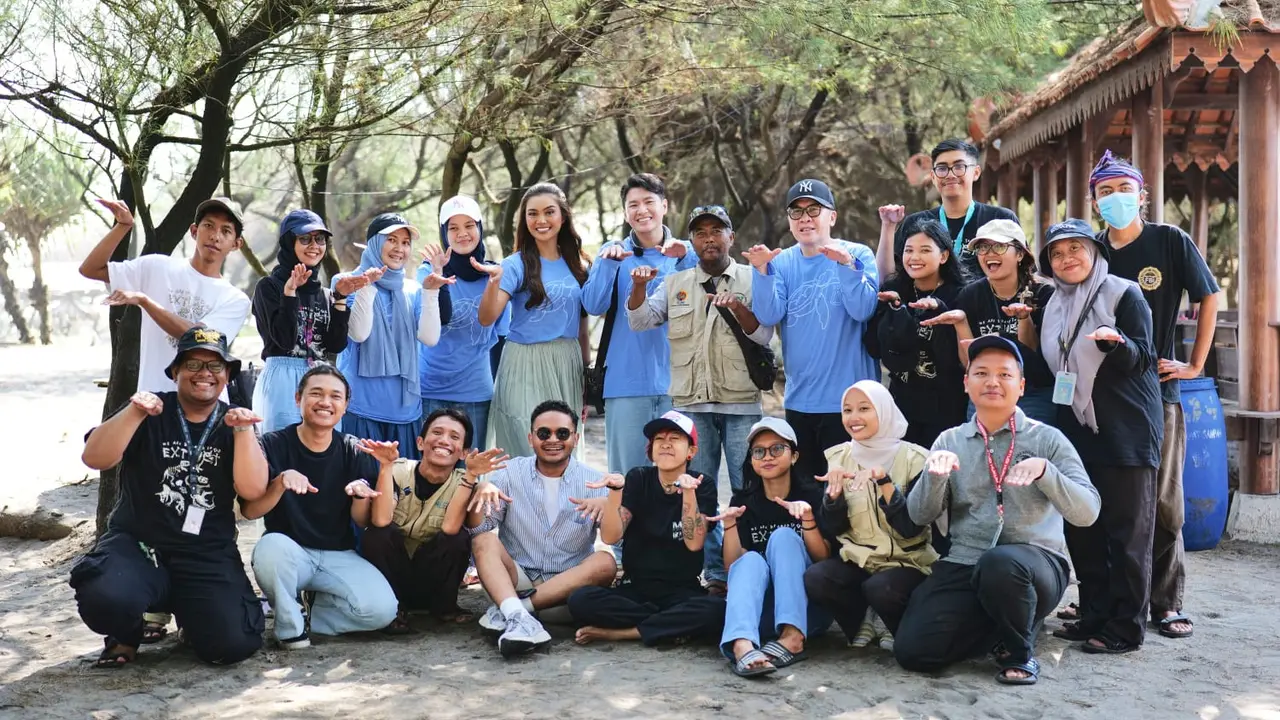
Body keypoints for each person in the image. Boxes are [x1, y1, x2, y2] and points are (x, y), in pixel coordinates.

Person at [894, 335, 1100, 686]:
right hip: (965, 561)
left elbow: (1088, 511)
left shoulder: (1047, 438)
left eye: (1004, 375)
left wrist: (1045, 472)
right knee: (914, 652)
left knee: (1000, 564)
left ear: (1021, 386)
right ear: (966, 382)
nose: (992, 382)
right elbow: (919, 516)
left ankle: (1021, 653)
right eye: (982, 373)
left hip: (1036, 565)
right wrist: (933, 476)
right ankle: (1006, 623)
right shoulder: (949, 440)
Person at [73, 327, 269, 667]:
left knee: (233, 643)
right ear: (175, 370)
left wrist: (243, 432)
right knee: (107, 597)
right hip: (140, 546)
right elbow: (96, 458)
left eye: (215, 366)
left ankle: (193, 619)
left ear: (227, 376)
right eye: (193, 364)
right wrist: (135, 411)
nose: (204, 373)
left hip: (205, 551)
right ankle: (126, 632)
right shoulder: (149, 410)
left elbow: (252, 492)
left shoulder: (236, 421)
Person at [1090, 151, 1220, 641]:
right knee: (1104, 501)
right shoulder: (1091, 250)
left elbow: (1208, 295)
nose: (1115, 198)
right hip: (1098, 395)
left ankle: (1165, 602)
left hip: (1158, 390)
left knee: (1163, 501)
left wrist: (1196, 363)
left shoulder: (1169, 241)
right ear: (1095, 201)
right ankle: (1107, 598)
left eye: (1124, 189)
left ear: (1142, 194)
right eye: (1105, 191)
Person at [1032, 218, 1163, 655]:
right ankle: (1094, 614)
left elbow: (1146, 358)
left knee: (1127, 533)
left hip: (1126, 429)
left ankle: (1125, 628)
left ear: (1095, 253)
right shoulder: (1052, 304)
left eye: (1076, 249)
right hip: (1074, 429)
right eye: (1057, 253)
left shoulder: (1125, 293)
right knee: (1083, 526)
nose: (1067, 258)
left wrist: (1116, 343)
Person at [627, 205, 773, 593]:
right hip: (692, 405)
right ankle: (714, 574)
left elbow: (764, 336)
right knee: (698, 489)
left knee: (749, 489)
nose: (709, 238)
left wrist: (738, 307)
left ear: (731, 237)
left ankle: (749, 566)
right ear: (691, 241)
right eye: (700, 233)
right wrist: (639, 287)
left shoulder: (752, 278)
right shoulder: (675, 282)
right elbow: (640, 321)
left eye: (716, 231)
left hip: (741, 401)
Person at [243, 365, 400, 649]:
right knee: (269, 549)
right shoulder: (272, 445)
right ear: (297, 398)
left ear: (345, 406)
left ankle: (314, 615)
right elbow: (250, 511)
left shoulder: (353, 448)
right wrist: (279, 482)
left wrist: (364, 491)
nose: (325, 402)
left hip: (338, 554)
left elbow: (370, 521)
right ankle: (289, 627)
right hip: (289, 553)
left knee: (382, 611)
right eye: (316, 393)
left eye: (335, 396)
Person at [743, 179, 879, 479]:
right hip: (800, 400)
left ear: (832, 216)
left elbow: (863, 310)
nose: (805, 218)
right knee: (806, 492)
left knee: (850, 494)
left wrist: (846, 266)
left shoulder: (858, 255)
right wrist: (762, 271)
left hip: (851, 404)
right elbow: (768, 314)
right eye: (796, 212)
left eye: (813, 209)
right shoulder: (780, 261)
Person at [465, 400, 616, 657]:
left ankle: (515, 613)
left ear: (576, 438)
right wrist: (478, 488)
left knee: (605, 561)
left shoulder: (595, 481)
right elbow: (478, 528)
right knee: (483, 542)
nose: (553, 440)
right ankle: (518, 616)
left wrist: (611, 503)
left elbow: (613, 538)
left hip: (565, 593)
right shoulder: (509, 473)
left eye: (563, 433)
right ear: (531, 438)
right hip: (514, 583)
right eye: (544, 433)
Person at [567, 411, 725, 645]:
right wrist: (615, 492)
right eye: (659, 439)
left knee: (716, 610)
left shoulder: (703, 484)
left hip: (682, 591)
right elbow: (611, 537)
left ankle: (624, 633)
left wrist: (689, 493)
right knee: (580, 600)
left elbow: (694, 544)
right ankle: (669, 627)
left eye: (675, 438)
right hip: (635, 589)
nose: (666, 444)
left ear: (691, 451)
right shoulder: (638, 478)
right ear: (650, 450)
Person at [804, 381, 937, 651]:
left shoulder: (916, 459)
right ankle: (862, 621)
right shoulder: (838, 457)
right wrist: (833, 497)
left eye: (864, 409)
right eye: (847, 410)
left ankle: (891, 623)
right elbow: (833, 529)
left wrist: (885, 483)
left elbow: (911, 528)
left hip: (908, 563)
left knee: (882, 588)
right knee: (816, 577)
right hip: (860, 562)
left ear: (884, 411)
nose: (854, 418)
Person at [79, 197, 252, 396]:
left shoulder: (235, 299)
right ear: (194, 231)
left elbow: (197, 337)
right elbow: (90, 269)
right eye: (209, 226)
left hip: (205, 409)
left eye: (226, 231)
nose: (215, 236)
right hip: (153, 402)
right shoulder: (156, 267)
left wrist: (145, 301)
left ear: (236, 244)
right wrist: (123, 226)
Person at [582, 173, 696, 473]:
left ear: (665, 206)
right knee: (627, 477)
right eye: (633, 204)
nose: (641, 210)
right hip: (625, 384)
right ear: (624, 212)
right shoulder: (613, 253)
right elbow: (592, 305)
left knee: (679, 477)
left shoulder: (686, 253)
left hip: (681, 386)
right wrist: (607, 264)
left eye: (649, 202)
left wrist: (686, 259)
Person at [360, 408, 509, 630]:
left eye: (454, 437)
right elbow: (381, 520)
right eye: (437, 432)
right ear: (420, 442)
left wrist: (472, 477)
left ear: (463, 453)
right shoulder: (398, 471)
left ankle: (445, 608)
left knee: (457, 537)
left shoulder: (464, 482)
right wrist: (385, 466)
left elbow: (450, 529)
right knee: (377, 534)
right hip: (393, 577)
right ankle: (394, 609)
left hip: (431, 578)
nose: (444, 441)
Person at [475, 184, 592, 456]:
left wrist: (586, 374)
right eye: (532, 214)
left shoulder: (581, 265)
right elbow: (486, 317)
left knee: (562, 448)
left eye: (549, 212)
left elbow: (583, 327)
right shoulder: (514, 264)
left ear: (563, 217)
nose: (541, 220)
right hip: (523, 362)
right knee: (526, 443)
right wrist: (493, 283)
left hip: (567, 363)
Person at [713, 417, 832, 677]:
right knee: (752, 560)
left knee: (783, 537)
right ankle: (742, 644)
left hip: (807, 611)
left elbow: (824, 560)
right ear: (752, 461)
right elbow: (733, 567)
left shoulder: (812, 495)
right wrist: (731, 524)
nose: (767, 456)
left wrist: (808, 519)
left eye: (777, 448)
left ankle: (792, 635)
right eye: (759, 451)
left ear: (794, 456)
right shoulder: (743, 500)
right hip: (759, 614)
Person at [332, 213, 452, 458]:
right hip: (361, 409)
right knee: (363, 486)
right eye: (392, 240)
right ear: (375, 243)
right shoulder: (346, 281)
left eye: (406, 242)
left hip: (405, 412)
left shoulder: (413, 289)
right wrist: (366, 285)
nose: (400, 249)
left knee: (402, 490)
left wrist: (430, 293)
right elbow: (358, 334)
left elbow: (430, 338)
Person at [251, 209, 371, 432]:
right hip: (282, 378)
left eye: (320, 239)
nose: (314, 245)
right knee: (280, 451)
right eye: (304, 239)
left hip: (319, 377)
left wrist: (340, 300)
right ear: (289, 243)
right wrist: (289, 293)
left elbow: (335, 345)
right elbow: (284, 340)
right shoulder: (268, 287)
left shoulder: (324, 294)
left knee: (323, 449)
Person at [927, 219, 1057, 424]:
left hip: (1034, 392)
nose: (989, 253)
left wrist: (1024, 319)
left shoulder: (1045, 294)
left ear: (1020, 254)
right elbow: (969, 362)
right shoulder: (970, 295)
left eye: (999, 246)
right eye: (982, 247)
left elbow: (1035, 354)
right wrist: (960, 324)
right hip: (987, 390)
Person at [417, 196, 509, 448]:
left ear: (479, 228)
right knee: (429, 469)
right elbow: (442, 317)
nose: (462, 234)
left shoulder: (495, 275)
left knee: (471, 471)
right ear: (444, 234)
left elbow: (500, 341)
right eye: (453, 228)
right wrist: (440, 274)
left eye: (469, 225)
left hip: (476, 392)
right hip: (430, 390)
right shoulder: (428, 271)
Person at [868, 218, 968, 448]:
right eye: (908, 250)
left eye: (925, 250)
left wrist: (940, 313)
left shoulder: (960, 294)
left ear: (943, 256)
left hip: (947, 407)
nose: (914, 257)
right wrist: (894, 313)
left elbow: (959, 359)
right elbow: (874, 346)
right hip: (901, 406)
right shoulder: (894, 290)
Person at [876, 138, 1019, 280]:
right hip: (923, 302)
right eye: (942, 168)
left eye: (959, 167)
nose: (950, 175)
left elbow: (1024, 273)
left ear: (976, 172)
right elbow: (886, 279)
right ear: (933, 177)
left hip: (983, 303)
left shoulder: (1000, 219)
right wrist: (888, 226)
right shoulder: (915, 223)